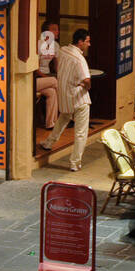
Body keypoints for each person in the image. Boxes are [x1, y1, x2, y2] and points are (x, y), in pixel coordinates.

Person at [38, 29, 92, 170]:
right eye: (87, 41)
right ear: (80, 42)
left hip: (65, 96)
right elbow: (86, 79)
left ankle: (49, 143)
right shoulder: (80, 59)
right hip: (79, 98)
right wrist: (88, 86)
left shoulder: (62, 50)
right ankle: (75, 163)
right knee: (81, 132)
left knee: (63, 118)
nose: (89, 44)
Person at [35, 19, 60, 130]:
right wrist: (48, 77)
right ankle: (68, 114)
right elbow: (35, 69)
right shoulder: (38, 44)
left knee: (52, 92)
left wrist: (62, 75)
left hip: (45, 79)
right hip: (34, 79)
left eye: (57, 30)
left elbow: (57, 65)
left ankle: (51, 123)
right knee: (55, 82)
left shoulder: (55, 45)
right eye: (54, 30)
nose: (57, 32)